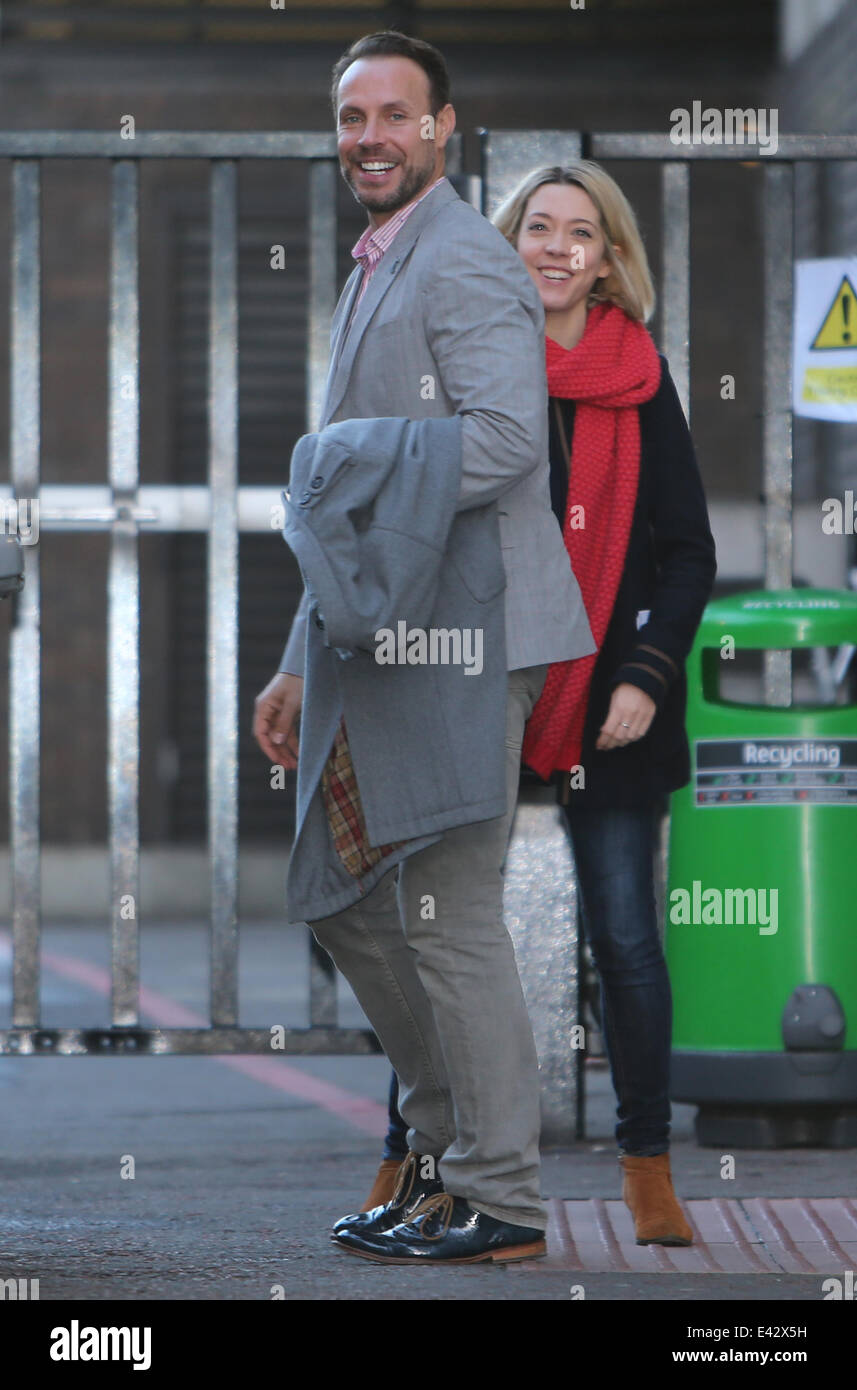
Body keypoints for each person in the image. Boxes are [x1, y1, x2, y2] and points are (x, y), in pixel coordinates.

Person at [252, 35, 594, 1266]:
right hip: (380, 638)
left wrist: (336, 457)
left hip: (471, 629)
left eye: (395, 115)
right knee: (341, 898)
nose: (371, 137)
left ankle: (498, 1196)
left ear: (443, 129)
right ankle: (446, 1161)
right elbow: (355, 503)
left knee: (447, 914)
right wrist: (301, 656)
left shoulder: (464, 262)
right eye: (351, 118)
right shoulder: (372, 265)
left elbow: (506, 441)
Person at [377, 160, 717, 1247]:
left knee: (623, 937)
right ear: (505, 240)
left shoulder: (639, 375)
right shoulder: (473, 357)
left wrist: (642, 676)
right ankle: (416, 1154)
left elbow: (686, 552)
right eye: (536, 225)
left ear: (610, 258)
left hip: (607, 700)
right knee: (440, 931)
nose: (556, 247)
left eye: (582, 232)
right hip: (480, 681)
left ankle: (646, 1165)